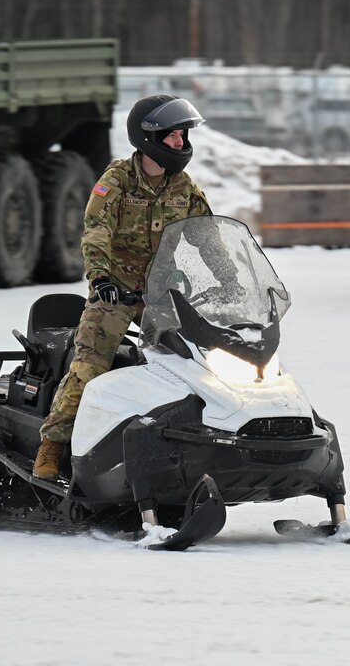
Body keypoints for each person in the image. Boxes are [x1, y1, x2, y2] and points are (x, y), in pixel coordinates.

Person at [33, 95, 213, 479]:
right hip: (115, 291)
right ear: (149, 139)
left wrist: (229, 282)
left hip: (162, 294)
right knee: (90, 366)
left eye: (183, 136)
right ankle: (52, 445)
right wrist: (100, 279)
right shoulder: (116, 180)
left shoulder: (184, 187)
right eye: (174, 137)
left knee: (198, 361)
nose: (181, 144)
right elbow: (96, 231)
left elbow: (209, 240)